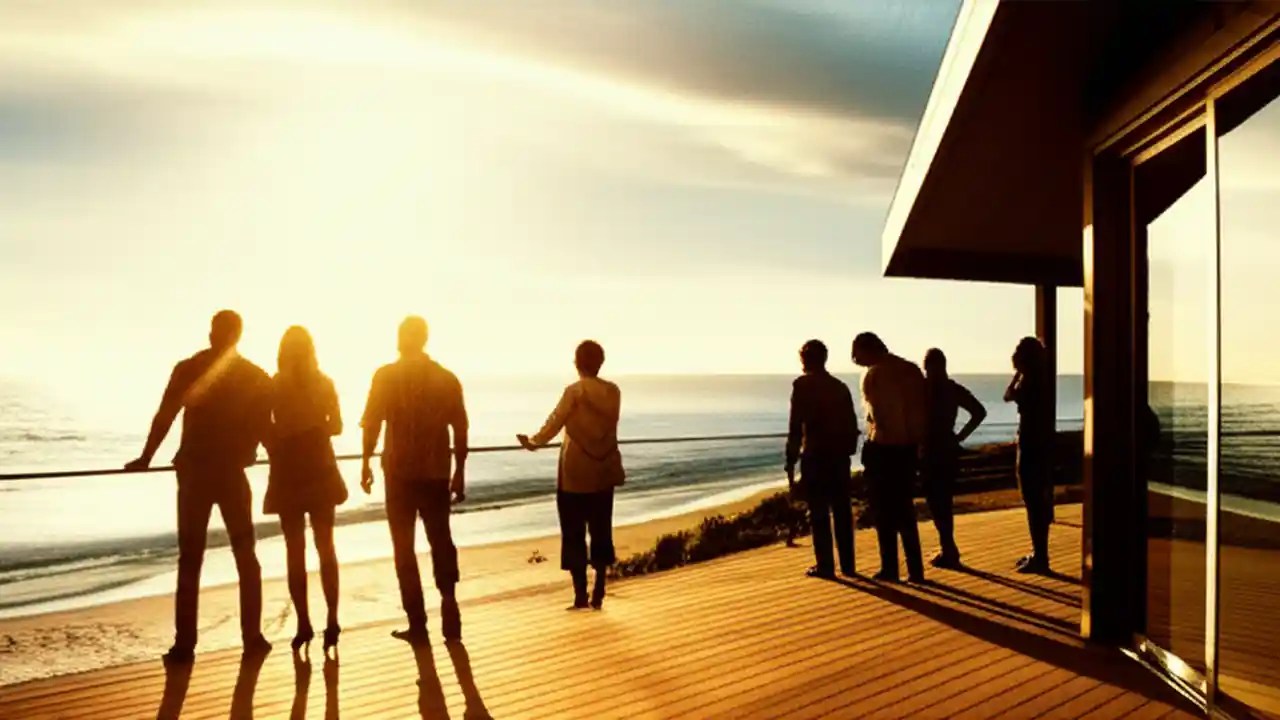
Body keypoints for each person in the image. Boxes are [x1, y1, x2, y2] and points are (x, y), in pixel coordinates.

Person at [125, 310, 272, 663]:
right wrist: (260, 453)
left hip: (194, 473)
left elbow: (166, 414)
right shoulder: (255, 376)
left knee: (191, 558)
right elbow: (265, 429)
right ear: (238, 337)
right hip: (231, 473)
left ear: (212, 334)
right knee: (245, 557)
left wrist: (146, 457)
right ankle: (252, 637)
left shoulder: (188, 368)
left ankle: (184, 644)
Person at [360, 316, 468, 644]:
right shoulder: (446, 378)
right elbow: (460, 428)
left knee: (403, 549)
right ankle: (449, 604)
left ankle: (417, 622)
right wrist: (460, 471)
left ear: (401, 338)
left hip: (399, 474)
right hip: (436, 472)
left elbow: (372, 424)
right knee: (440, 540)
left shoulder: (385, 376)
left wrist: (365, 461)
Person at [518, 340, 624, 610]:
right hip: (603, 471)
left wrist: (534, 442)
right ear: (600, 363)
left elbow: (555, 421)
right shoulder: (613, 392)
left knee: (574, 533)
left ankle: (580, 594)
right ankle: (599, 585)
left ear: (577, 363)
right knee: (601, 529)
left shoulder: (574, 392)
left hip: (575, 473)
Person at [265, 326, 348, 652]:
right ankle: (332, 619)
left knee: (294, 550)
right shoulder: (324, 382)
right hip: (319, 467)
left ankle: (303, 623)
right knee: (325, 546)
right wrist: (314, 427)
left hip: (287, 469)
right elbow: (338, 426)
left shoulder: (274, 385)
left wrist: (283, 437)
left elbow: (264, 427)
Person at [851, 332, 928, 583]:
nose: (854, 360)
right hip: (907, 448)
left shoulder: (874, 375)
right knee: (905, 510)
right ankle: (915, 568)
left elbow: (879, 417)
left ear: (868, 350)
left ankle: (890, 567)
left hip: (884, 448)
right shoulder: (911, 370)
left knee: (884, 511)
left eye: (857, 354)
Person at [785, 340, 860, 579]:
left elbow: (796, 425)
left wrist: (791, 457)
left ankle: (826, 565)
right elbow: (851, 424)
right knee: (841, 511)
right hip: (838, 457)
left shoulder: (802, 386)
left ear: (806, 360)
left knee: (818, 512)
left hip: (815, 455)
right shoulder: (839, 387)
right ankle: (848, 565)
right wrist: (848, 451)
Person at [921, 348, 987, 569]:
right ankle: (948, 546)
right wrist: (959, 436)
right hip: (947, 446)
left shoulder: (923, 389)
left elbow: (979, 412)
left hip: (931, 448)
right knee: (943, 500)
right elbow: (979, 412)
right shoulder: (953, 389)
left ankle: (949, 548)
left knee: (937, 500)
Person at [1004, 336, 1055, 574]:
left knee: (1033, 503)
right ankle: (1039, 553)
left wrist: (1016, 374)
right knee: (1038, 503)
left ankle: (1041, 556)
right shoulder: (1041, 380)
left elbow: (1007, 395)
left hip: (1030, 447)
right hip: (1042, 447)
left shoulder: (1028, 383)